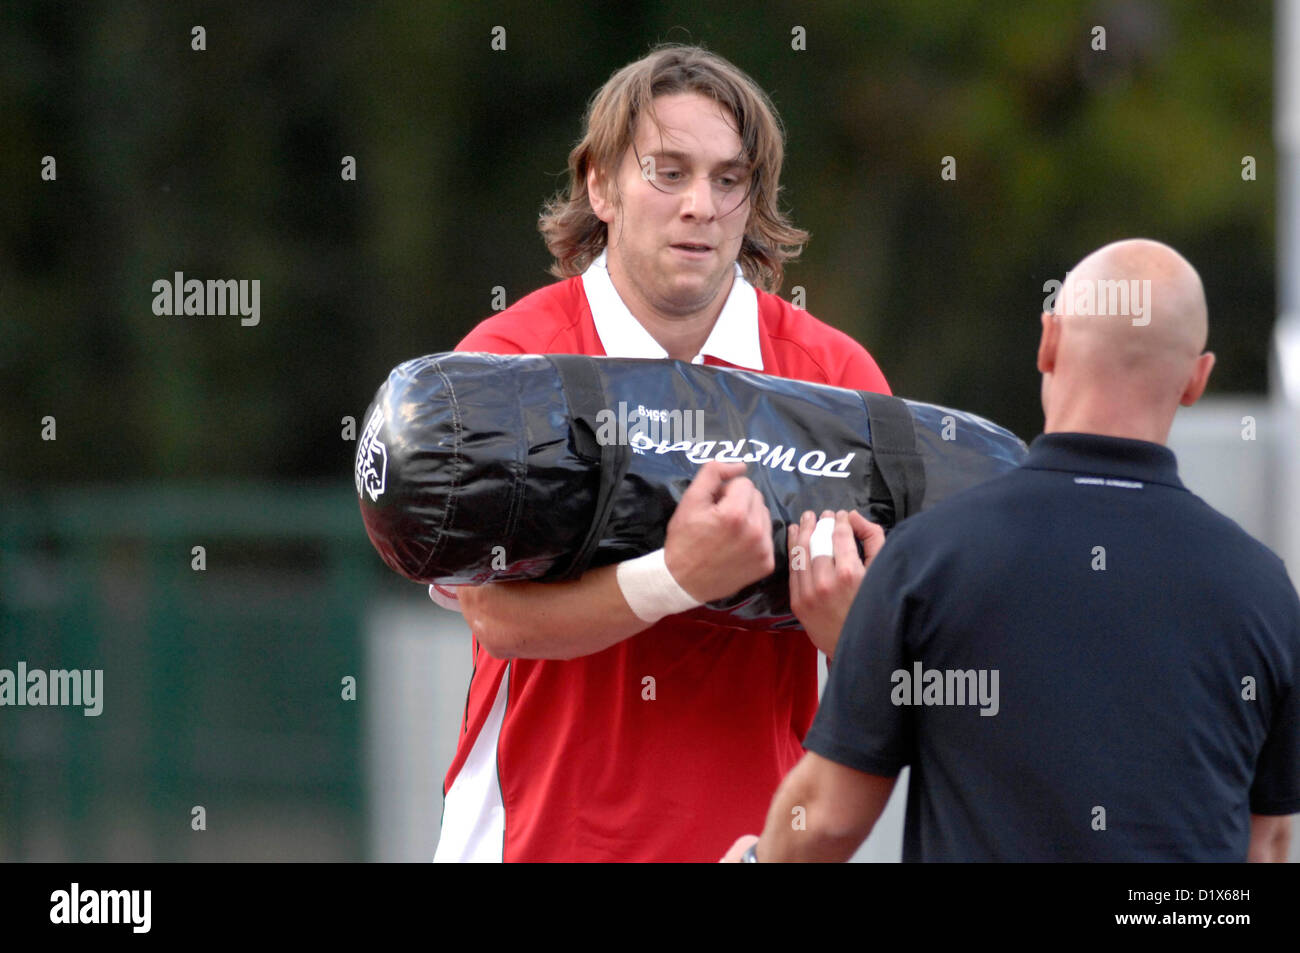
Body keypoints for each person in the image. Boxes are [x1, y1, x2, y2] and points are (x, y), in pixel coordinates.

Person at [430, 44, 890, 862]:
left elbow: (903, 654)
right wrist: (678, 577)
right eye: (668, 172)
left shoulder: (836, 381)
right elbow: (498, 618)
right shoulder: (508, 359)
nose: (700, 207)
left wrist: (857, 634)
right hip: (533, 839)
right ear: (601, 185)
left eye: (727, 178)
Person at [725, 238, 1300, 862]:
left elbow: (832, 818)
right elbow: (1266, 843)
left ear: (1048, 341)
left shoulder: (932, 557)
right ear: (1197, 379)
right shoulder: (1264, 590)